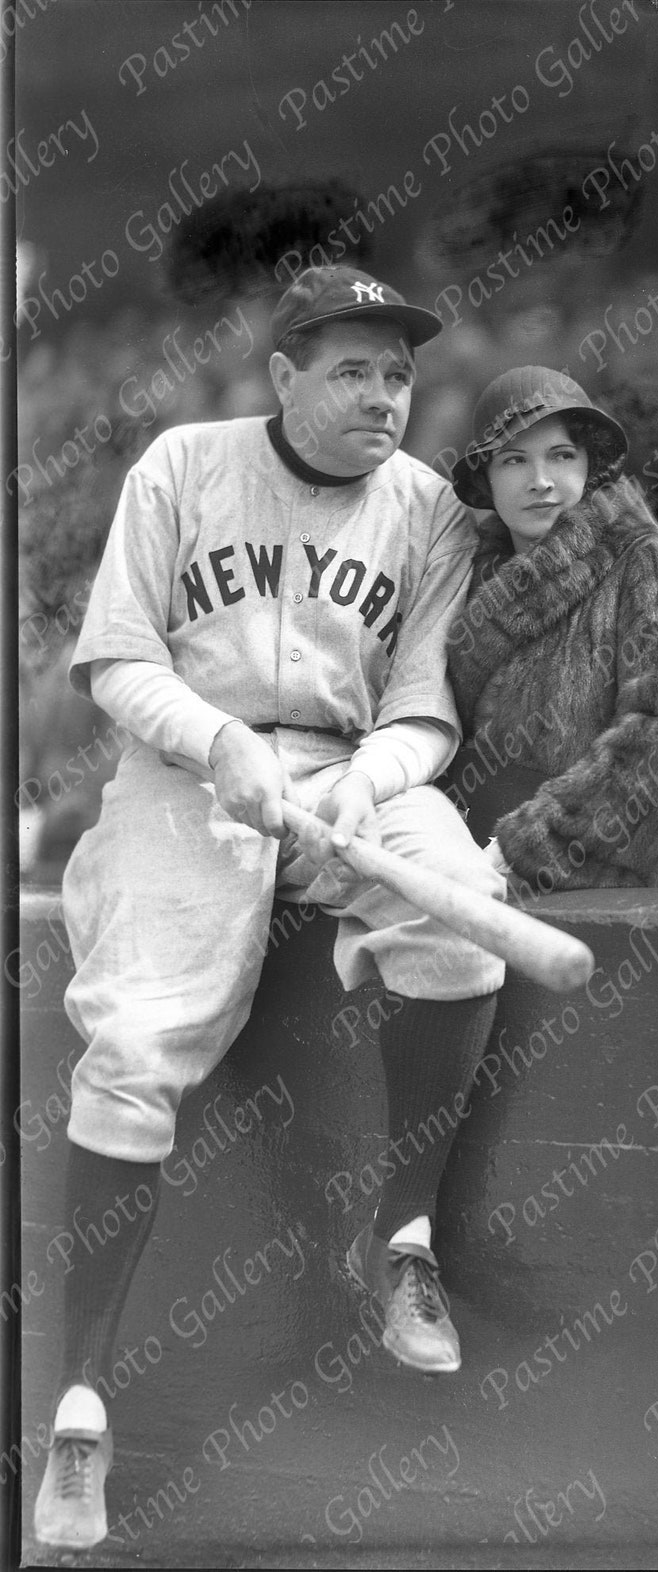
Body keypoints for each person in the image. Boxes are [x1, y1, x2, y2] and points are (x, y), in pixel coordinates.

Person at [33, 266, 506, 1552]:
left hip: (350, 768)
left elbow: (424, 703)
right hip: (190, 769)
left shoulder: (428, 513)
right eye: (351, 368)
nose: (383, 393)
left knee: (461, 907)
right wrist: (214, 743)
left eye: (399, 372)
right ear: (284, 375)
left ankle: (399, 1235)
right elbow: (118, 656)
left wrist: (373, 778)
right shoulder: (183, 466)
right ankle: (80, 1401)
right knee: (133, 1040)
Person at [443, 367, 658, 891]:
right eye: (514, 460)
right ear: (486, 479)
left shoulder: (651, 563)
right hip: (467, 874)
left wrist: (528, 845)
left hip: (604, 886)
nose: (540, 480)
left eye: (561, 455)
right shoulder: (461, 579)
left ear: (590, 465)